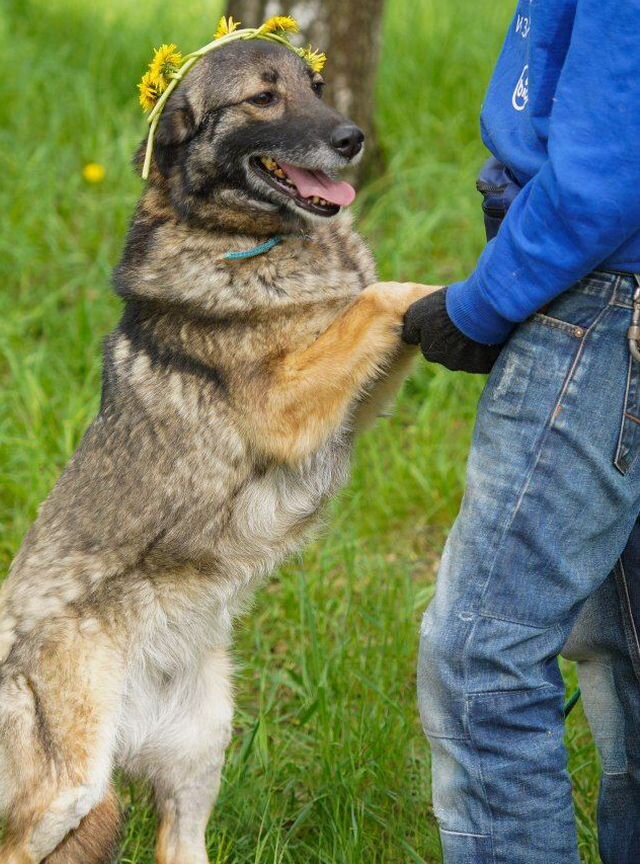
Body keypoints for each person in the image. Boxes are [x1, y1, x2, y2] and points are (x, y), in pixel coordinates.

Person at [400, 2, 640, 862]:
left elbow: (608, 171)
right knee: (631, 649)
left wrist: (485, 302)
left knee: (481, 658)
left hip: (601, 295)